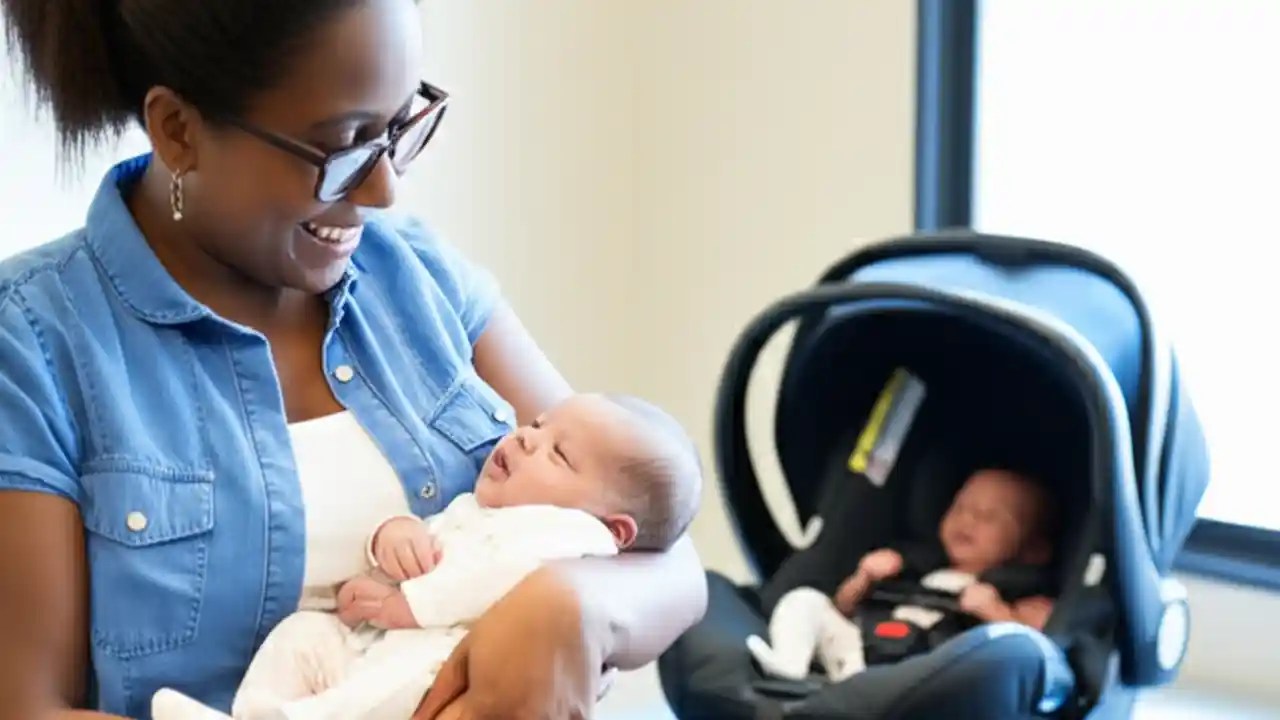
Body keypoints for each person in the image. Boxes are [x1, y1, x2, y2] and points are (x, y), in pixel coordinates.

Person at [0, 2, 709, 719]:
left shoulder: (421, 278)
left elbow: (663, 545)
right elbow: (28, 707)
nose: (383, 190)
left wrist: (568, 609)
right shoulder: (33, 342)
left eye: (399, 128)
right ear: (179, 131)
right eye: (343, 147)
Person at [151, 393, 703, 720]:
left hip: (443, 666)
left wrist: (402, 606)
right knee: (301, 636)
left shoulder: (570, 535)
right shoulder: (487, 509)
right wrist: (391, 538)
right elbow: (436, 540)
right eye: (537, 426)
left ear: (615, 529)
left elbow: (493, 578)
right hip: (375, 643)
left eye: (558, 453)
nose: (527, 439)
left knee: (367, 700)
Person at [746, 468, 1056, 682]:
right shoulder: (917, 566)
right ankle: (787, 670)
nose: (968, 519)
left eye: (989, 517)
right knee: (805, 601)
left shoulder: (1018, 597)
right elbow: (843, 609)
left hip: (932, 682)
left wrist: (996, 613)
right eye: (960, 507)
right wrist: (863, 578)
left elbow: (1041, 657)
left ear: (1032, 548)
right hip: (857, 659)